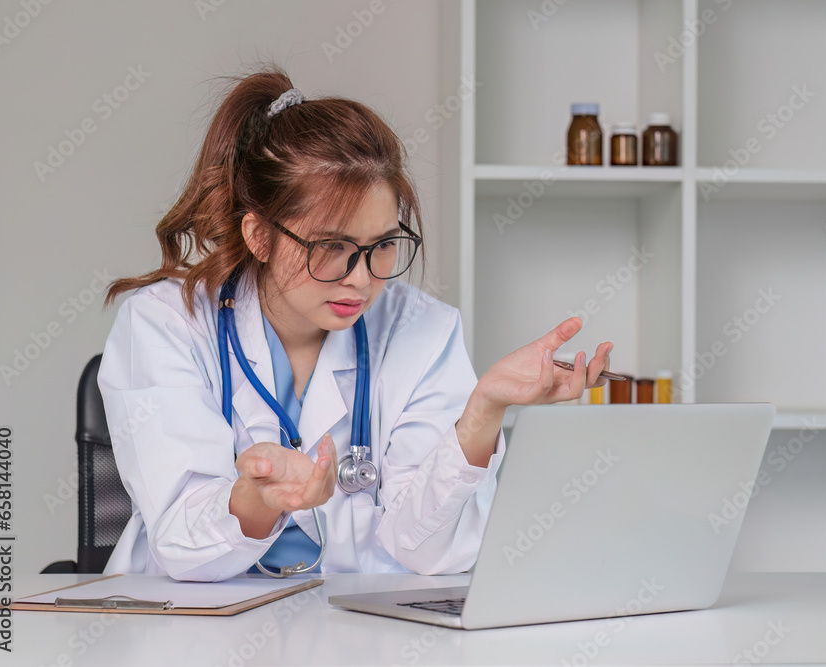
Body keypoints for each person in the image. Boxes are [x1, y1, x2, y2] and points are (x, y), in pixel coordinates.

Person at [98, 66, 613, 582]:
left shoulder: (423, 329)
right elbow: (183, 549)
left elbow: (432, 554)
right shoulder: (166, 324)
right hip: (193, 633)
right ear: (258, 235)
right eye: (332, 248)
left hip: (355, 631)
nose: (362, 280)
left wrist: (483, 412)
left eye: (382, 246)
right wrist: (259, 500)